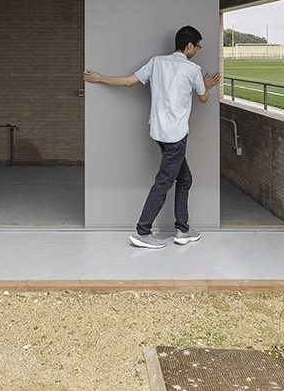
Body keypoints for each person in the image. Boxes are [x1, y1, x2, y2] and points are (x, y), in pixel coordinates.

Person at [83, 25, 221, 248]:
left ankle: (183, 229)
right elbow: (203, 98)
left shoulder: (156, 62)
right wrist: (205, 86)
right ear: (189, 46)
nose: (197, 50)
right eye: (197, 46)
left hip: (158, 132)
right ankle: (142, 231)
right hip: (176, 136)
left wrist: (99, 78)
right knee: (163, 183)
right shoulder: (193, 69)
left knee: (185, 178)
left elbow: (128, 81)